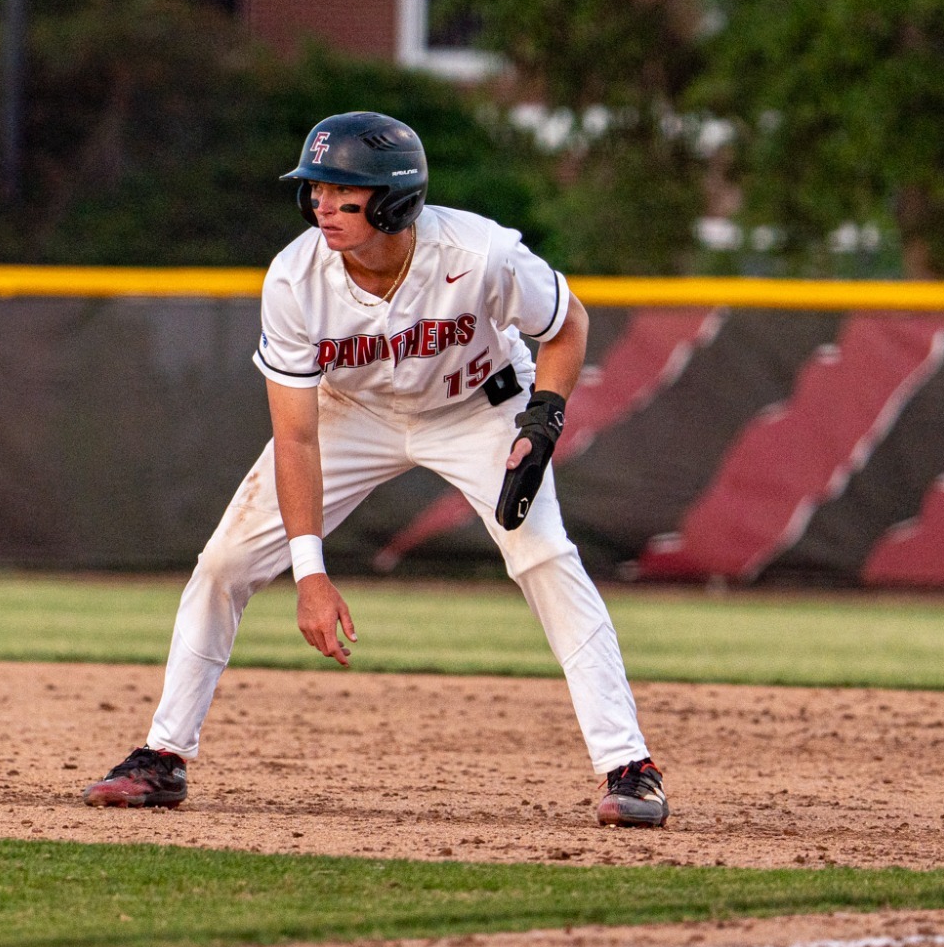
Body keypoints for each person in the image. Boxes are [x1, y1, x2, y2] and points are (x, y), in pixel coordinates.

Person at [83, 112, 667, 828]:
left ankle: (629, 766)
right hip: (352, 411)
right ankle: (163, 757)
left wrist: (543, 419)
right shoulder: (296, 278)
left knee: (545, 555)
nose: (320, 205)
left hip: (478, 406)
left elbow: (567, 322)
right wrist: (311, 573)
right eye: (315, 189)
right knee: (223, 563)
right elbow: (295, 437)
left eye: (341, 190)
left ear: (392, 201)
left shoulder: (481, 253)